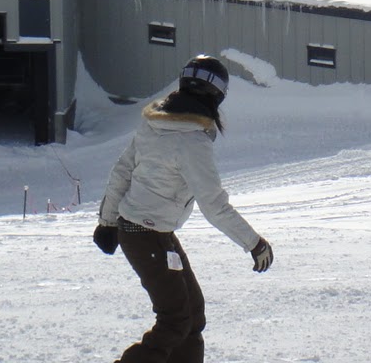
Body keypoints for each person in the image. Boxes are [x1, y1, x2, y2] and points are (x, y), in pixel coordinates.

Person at [94, 54, 273, 363]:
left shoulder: (155, 124)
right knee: (176, 319)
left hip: (151, 232)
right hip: (145, 233)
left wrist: (109, 222)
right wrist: (254, 243)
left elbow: (121, 171)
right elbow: (214, 205)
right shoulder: (192, 141)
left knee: (191, 314)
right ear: (216, 95)